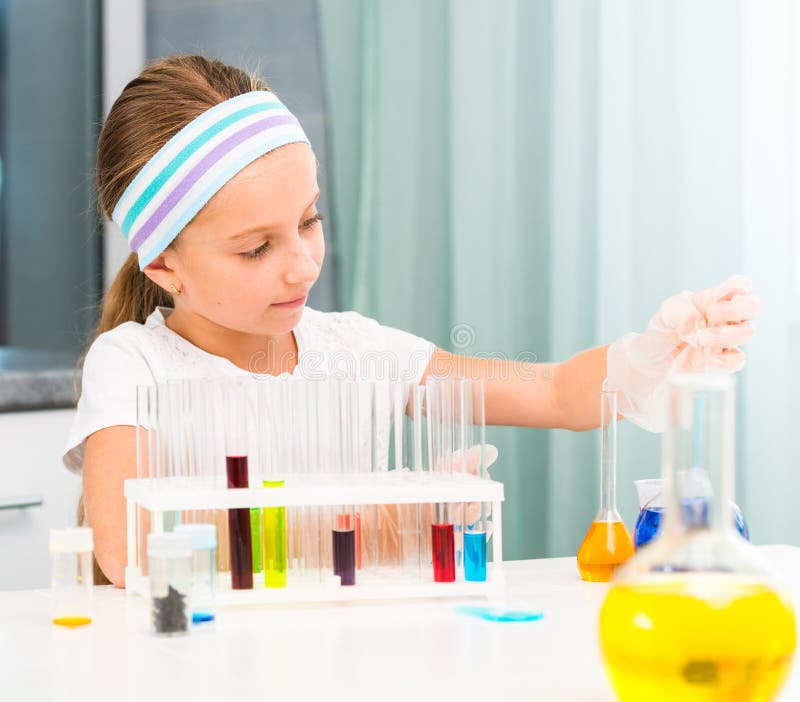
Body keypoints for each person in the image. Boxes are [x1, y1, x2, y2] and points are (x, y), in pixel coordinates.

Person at [62, 55, 759, 587]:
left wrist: (650, 356)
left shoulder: (354, 350)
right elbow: (126, 547)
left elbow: (552, 393)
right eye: (256, 248)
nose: (303, 265)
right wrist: (376, 523)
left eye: (309, 221)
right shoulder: (134, 366)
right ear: (163, 268)